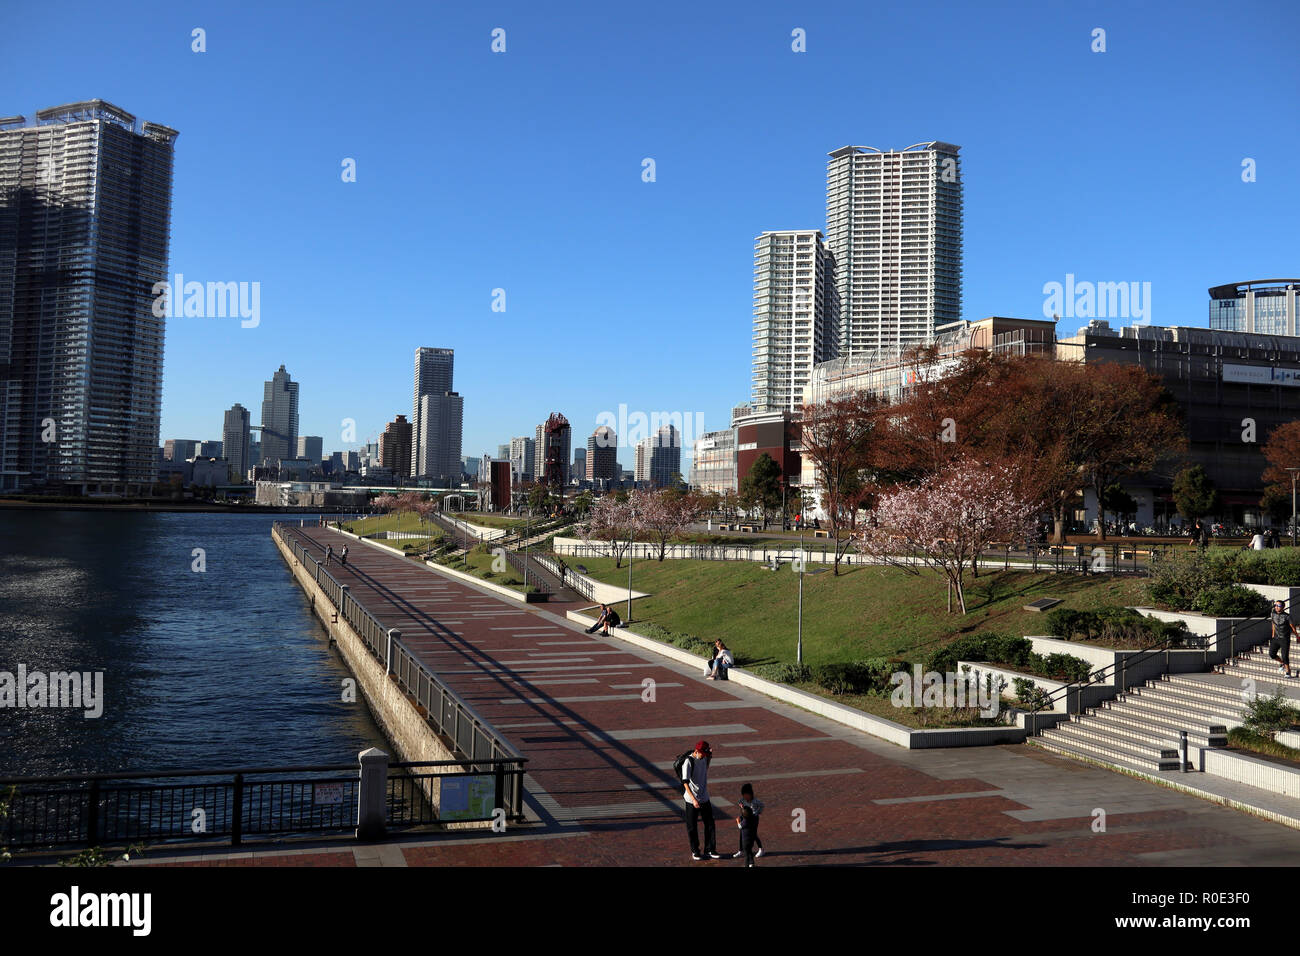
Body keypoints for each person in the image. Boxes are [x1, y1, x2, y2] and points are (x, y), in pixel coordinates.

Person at [681, 741, 720, 860]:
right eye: (702, 754)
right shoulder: (688, 762)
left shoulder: (704, 758)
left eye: (706, 754)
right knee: (692, 827)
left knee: (710, 824)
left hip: (704, 797)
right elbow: (685, 782)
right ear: (696, 751)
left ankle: (710, 849)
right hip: (691, 800)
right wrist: (693, 799)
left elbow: (705, 768)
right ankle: (695, 851)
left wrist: (710, 757)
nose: (704, 756)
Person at [733, 783, 764, 866]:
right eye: (744, 796)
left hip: (753, 819)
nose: (745, 797)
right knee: (742, 833)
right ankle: (741, 850)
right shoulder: (742, 800)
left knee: (753, 834)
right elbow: (739, 802)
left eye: (746, 795)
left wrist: (756, 813)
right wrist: (742, 807)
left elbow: (762, 806)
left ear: (750, 794)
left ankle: (761, 849)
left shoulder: (755, 801)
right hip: (745, 818)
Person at [1270, 600, 1297, 679]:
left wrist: (1297, 636)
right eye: (1275, 605)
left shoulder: (1287, 616)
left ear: (1283, 607)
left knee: (1285, 655)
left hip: (1284, 639)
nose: (1276, 607)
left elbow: (1293, 627)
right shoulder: (1273, 614)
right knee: (1272, 654)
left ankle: (1288, 672)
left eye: (1278, 606)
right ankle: (1282, 663)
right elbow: (1273, 624)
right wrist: (1272, 634)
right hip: (1276, 638)